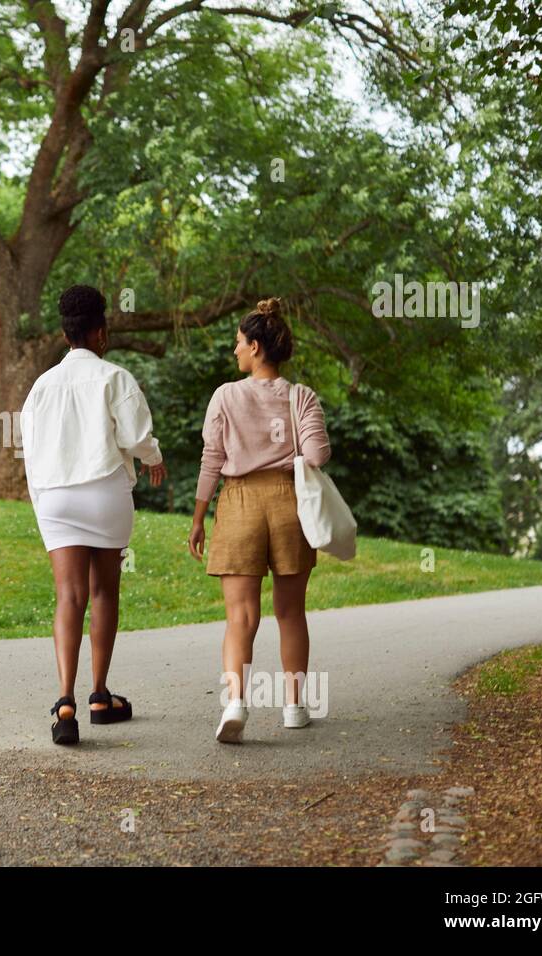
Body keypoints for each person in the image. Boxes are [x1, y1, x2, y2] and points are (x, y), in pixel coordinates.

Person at [20, 284, 167, 745]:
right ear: (100, 333)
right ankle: (100, 697)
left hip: (57, 496)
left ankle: (65, 703)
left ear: (66, 336)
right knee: (104, 592)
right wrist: (154, 457)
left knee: (69, 595)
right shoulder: (114, 377)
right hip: (104, 493)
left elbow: (31, 449)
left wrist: (43, 499)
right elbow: (138, 436)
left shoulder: (41, 386)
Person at [187, 297, 331, 743]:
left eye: (237, 344)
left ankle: (236, 703)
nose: (234, 352)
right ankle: (293, 707)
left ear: (254, 346)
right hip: (290, 504)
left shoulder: (226, 396)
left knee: (240, 616)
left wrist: (198, 517)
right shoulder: (301, 396)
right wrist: (293, 455)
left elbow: (212, 459)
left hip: (240, 503)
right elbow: (319, 455)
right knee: (290, 613)